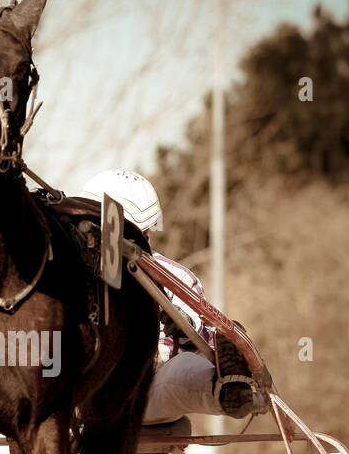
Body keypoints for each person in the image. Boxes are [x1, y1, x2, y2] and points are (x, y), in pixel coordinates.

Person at [79, 170, 260, 424]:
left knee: (182, 369)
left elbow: (206, 342)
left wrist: (186, 325)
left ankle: (227, 390)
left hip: (144, 392)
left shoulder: (176, 277)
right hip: (77, 390)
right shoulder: (67, 269)